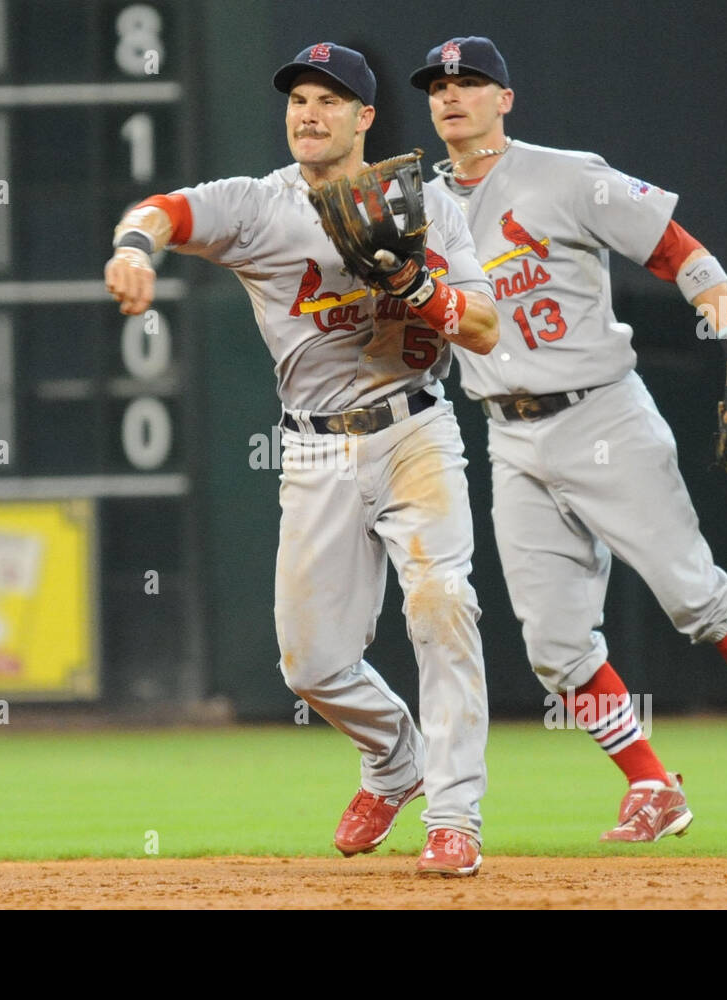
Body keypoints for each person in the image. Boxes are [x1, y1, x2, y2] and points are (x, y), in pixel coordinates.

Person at [407, 36, 727, 842]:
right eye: (440, 86)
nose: (453, 96)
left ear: (505, 99)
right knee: (554, 646)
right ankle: (653, 786)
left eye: (472, 82)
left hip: (602, 414)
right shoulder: (419, 207)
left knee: (696, 596)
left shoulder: (564, 174)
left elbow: (683, 252)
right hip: (509, 436)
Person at [105, 43, 500, 874]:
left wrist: (418, 286)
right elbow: (161, 210)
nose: (308, 114)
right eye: (298, 99)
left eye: (329, 100)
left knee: (441, 604)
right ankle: (396, 759)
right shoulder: (257, 205)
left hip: (414, 430)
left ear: (364, 119)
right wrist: (135, 249)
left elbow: (485, 326)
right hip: (315, 449)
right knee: (310, 663)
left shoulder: (423, 202)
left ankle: (455, 814)